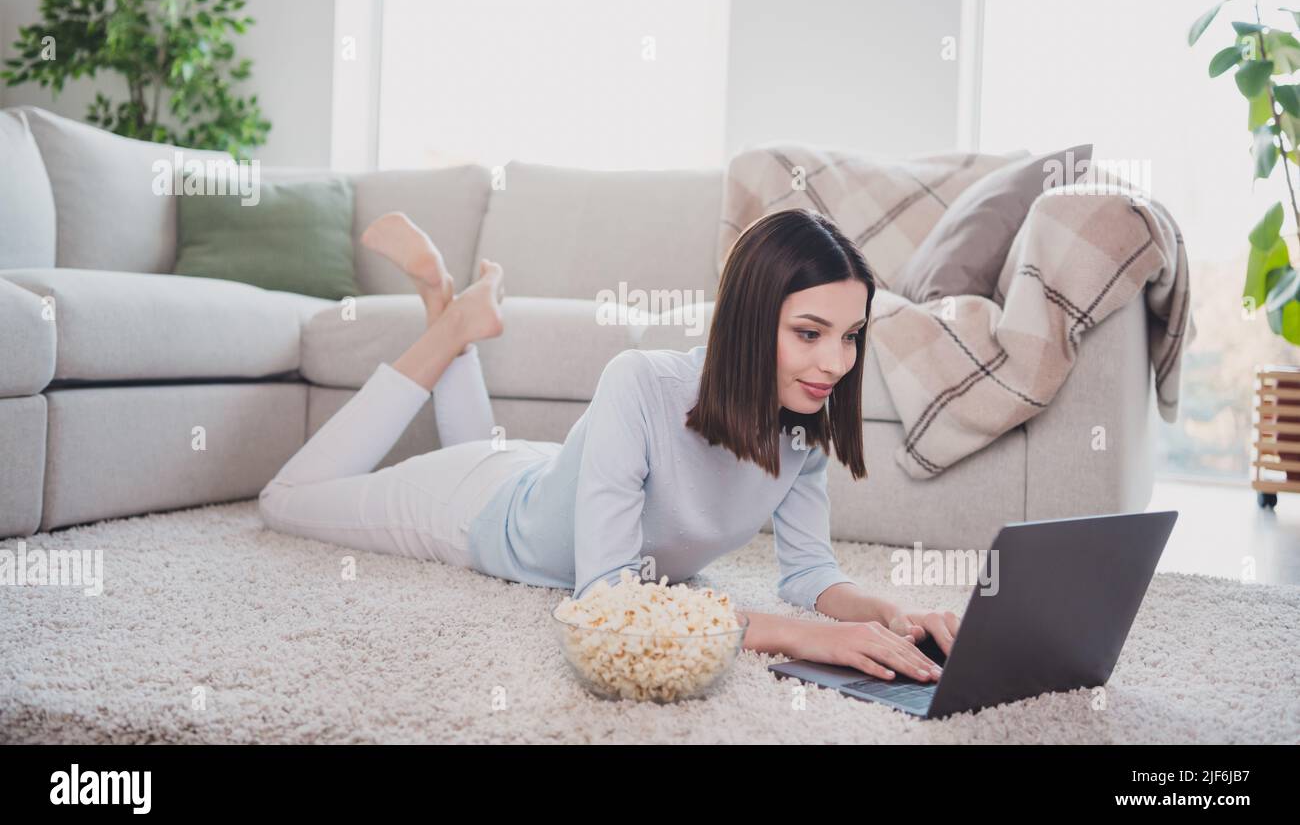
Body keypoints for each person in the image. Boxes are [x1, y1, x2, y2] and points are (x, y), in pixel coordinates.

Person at [259, 208, 961, 683]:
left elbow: (809, 575)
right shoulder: (641, 381)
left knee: (523, 480)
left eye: (851, 335)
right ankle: (444, 324)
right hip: (469, 506)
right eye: (809, 333)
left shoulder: (801, 426)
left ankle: (455, 311)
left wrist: (888, 615)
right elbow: (606, 601)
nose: (836, 362)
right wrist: (806, 637)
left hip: (551, 478)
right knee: (284, 501)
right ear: (748, 321)